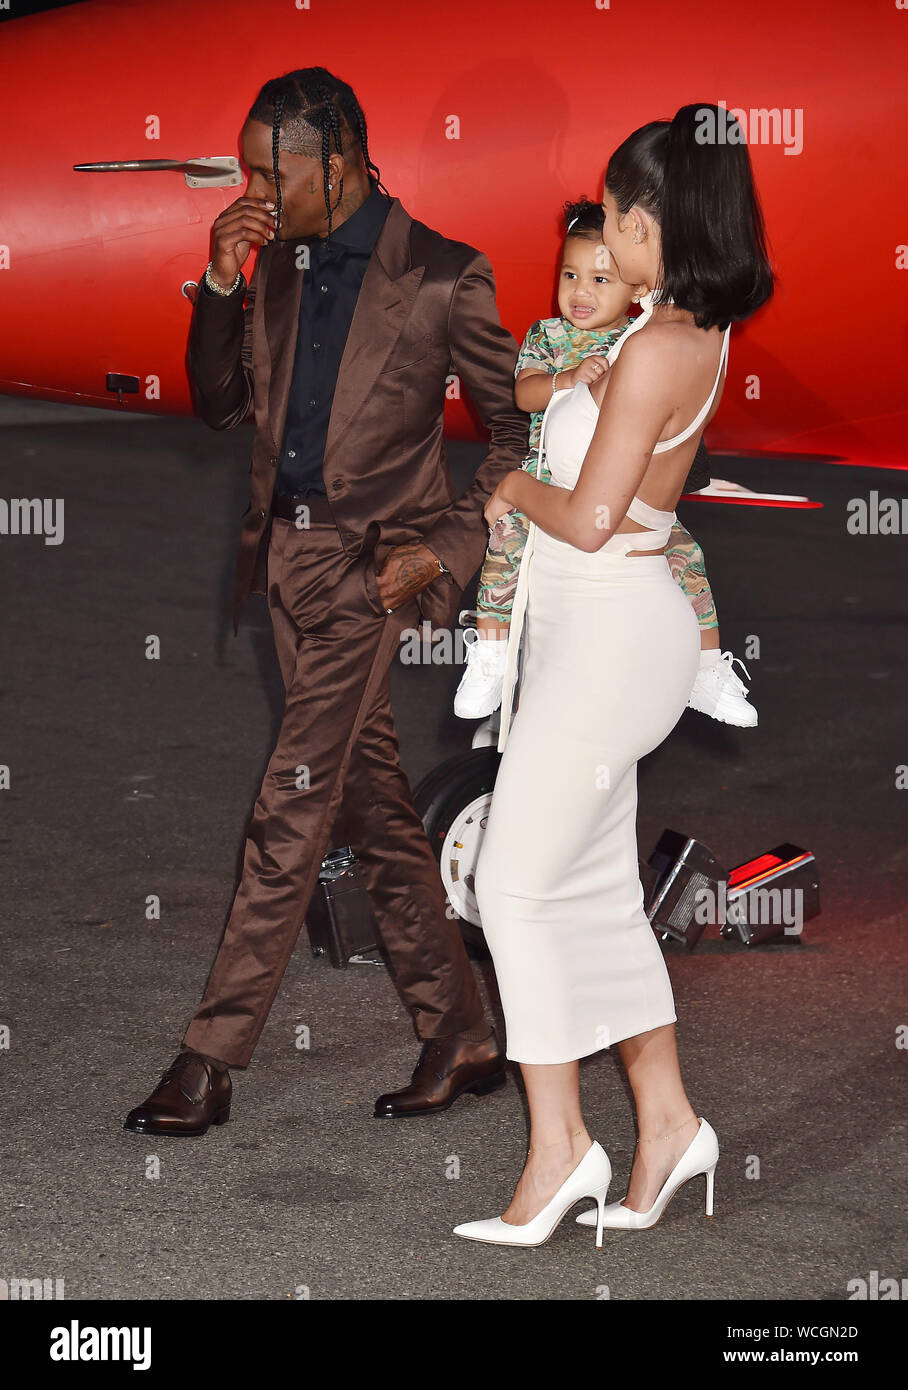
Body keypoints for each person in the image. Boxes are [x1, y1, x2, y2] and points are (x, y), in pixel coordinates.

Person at [124, 66, 530, 1138]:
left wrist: (437, 549)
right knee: (373, 802)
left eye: (271, 169)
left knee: (288, 806)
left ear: (339, 162)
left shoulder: (444, 275)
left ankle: (208, 1060)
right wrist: (218, 280)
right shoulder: (277, 264)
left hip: (370, 574)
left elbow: (518, 437)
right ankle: (466, 1032)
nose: (250, 187)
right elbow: (219, 408)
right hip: (282, 568)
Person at [454, 104, 773, 1246]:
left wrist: (505, 493)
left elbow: (587, 514)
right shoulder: (687, 331)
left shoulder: (651, 348)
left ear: (657, 222)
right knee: (584, 890)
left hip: (603, 629)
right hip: (594, 631)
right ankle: (668, 1122)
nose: (603, 226)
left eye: (618, 213)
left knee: (510, 888)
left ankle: (559, 1153)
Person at [453, 196, 756, 729]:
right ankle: (491, 653)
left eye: (600, 280)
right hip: (549, 476)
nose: (581, 292)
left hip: (623, 489)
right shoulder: (548, 336)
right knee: (505, 544)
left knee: (687, 554)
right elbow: (523, 395)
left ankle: (708, 668)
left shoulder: (637, 339)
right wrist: (565, 381)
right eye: (570, 275)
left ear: (635, 290)